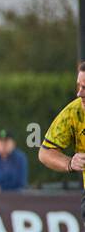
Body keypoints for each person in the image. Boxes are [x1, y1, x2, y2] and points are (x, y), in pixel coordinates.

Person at [37, 60, 85, 221]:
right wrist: (70, 163)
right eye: (79, 86)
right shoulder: (73, 113)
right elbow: (45, 152)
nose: (79, 93)